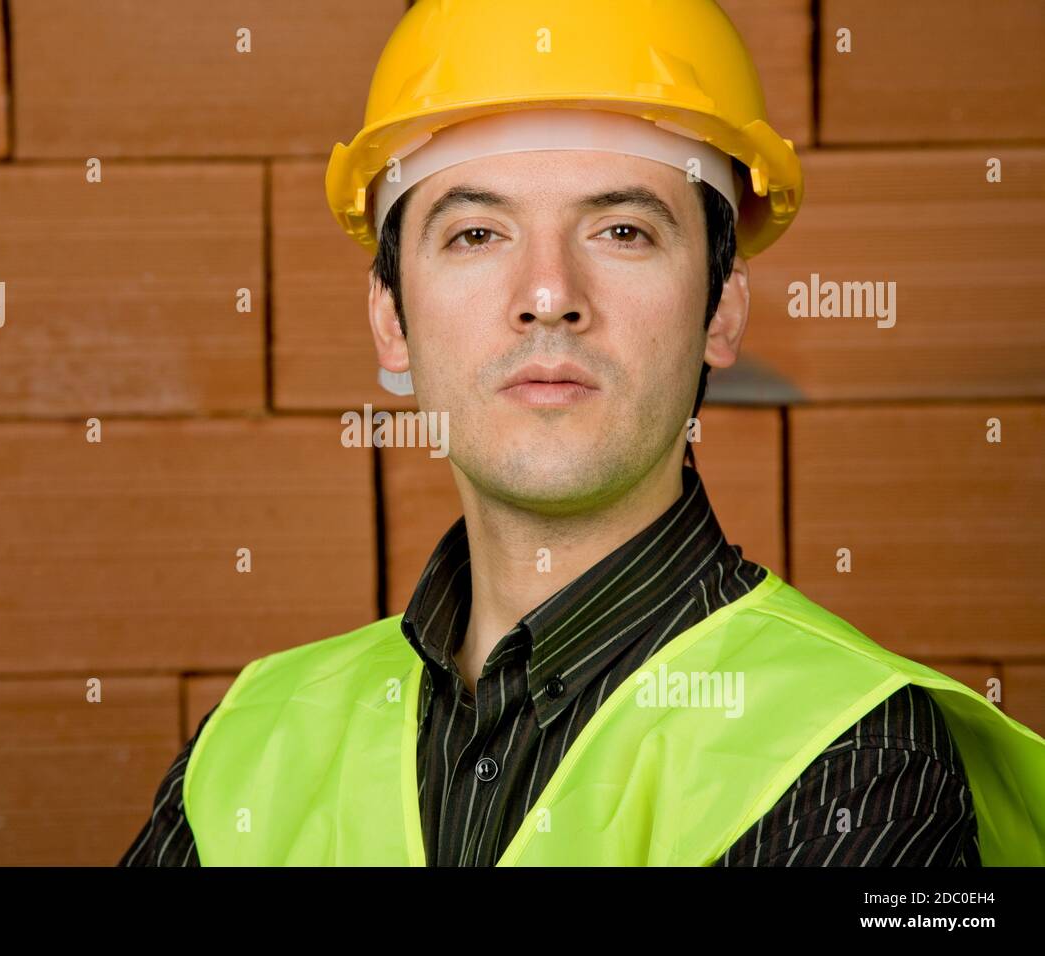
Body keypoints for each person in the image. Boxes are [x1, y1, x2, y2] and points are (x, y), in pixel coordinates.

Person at [121, 0, 1045, 866]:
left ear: (720, 312)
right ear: (391, 320)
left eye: (622, 231)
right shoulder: (254, 745)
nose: (550, 297)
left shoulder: (857, 760)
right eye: (478, 234)